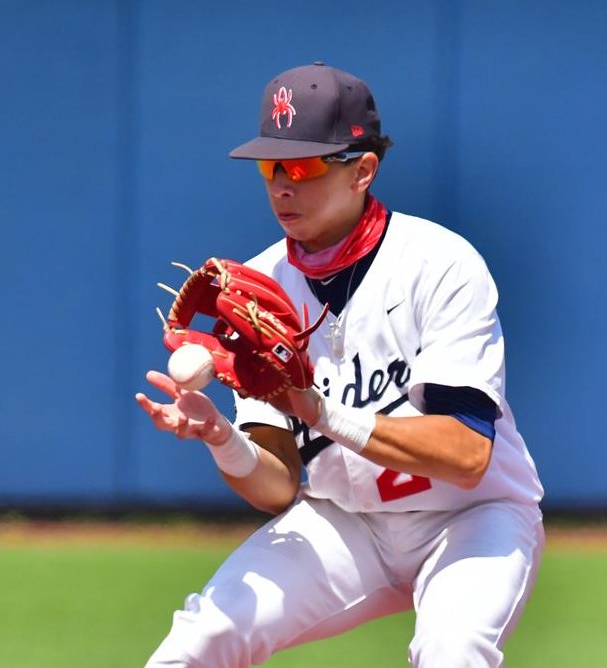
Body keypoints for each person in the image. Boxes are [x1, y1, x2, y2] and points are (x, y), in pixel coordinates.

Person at [135, 62, 545, 667]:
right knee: (201, 639)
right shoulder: (257, 290)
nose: (280, 186)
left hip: (474, 517)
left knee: (451, 650)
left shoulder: (440, 263)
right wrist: (221, 438)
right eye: (270, 168)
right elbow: (277, 487)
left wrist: (322, 412)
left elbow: (466, 455)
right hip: (347, 523)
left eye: (300, 167)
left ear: (364, 171)